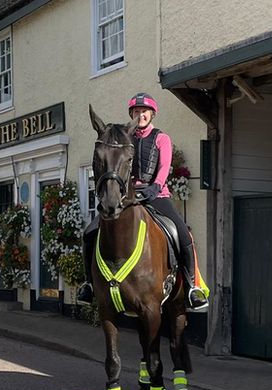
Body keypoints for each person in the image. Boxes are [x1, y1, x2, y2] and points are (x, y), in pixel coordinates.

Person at [76, 92, 208, 311]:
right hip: (128, 197)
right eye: (136, 112)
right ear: (132, 115)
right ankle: (89, 284)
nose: (141, 115)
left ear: (152, 114)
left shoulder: (161, 138)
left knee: (182, 232)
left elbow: (165, 165)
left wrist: (155, 186)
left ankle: (193, 286)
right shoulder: (125, 138)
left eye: (144, 112)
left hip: (156, 195)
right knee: (90, 232)